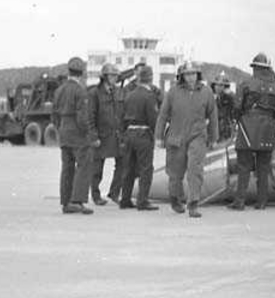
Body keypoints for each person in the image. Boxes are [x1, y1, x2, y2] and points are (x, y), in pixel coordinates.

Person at [155, 61, 218, 218]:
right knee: (175, 173)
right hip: (176, 137)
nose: (191, 77)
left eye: (193, 74)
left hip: (197, 136)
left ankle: (193, 203)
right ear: (182, 76)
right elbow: (162, 115)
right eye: (187, 74)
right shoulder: (173, 92)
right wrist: (158, 137)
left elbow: (213, 115)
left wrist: (213, 137)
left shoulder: (206, 92)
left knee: (195, 169)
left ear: (198, 75)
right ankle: (175, 199)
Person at [231, 51, 275, 210]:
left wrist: (239, 118)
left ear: (255, 67)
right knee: (263, 168)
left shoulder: (246, 84)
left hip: (248, 127)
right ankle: (262, 202)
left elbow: (237, 108)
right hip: (268, 129)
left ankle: (239, 201)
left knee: (244, 166)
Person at [53, 56, 94, 214]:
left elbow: (54, 115)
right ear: (82, 73)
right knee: (84, 165)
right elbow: (82, 118)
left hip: (64, 131)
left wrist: (60, 128)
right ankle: (78, 200)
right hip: (77, 133)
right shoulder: (80, 91)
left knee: (67, 168)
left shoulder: (59, 90)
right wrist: (88, 134)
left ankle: (66, 202)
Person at [117, 63, 161, 210]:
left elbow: (121, 117)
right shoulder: (149, 96)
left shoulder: (129, 95)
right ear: (150, 78)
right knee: (145, 169)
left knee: (128, 168)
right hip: (143, 134)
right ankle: (142, 201)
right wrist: (158, 136)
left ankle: (125, 199)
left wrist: (123, 135)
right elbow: (153, 119)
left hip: (129, 133)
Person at [88, 64, 124, 205]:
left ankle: (114, 193)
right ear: (105, 77)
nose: (115, 78)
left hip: (115, 135)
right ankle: (96, 195)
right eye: (112, 76)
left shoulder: (117, 92)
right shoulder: (94, 94)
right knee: (97, 168)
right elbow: (90, 116)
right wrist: (93, 136)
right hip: (101, 136)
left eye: (116, 76)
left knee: (122, 163)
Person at [211, 71, 237, 143]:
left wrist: (230, 95)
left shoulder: (229, 97)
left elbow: (236, 107)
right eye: (216, 85)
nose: (218, 87)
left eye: (221, 85)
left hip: (227, 129)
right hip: (216, 130)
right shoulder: (213, 98)